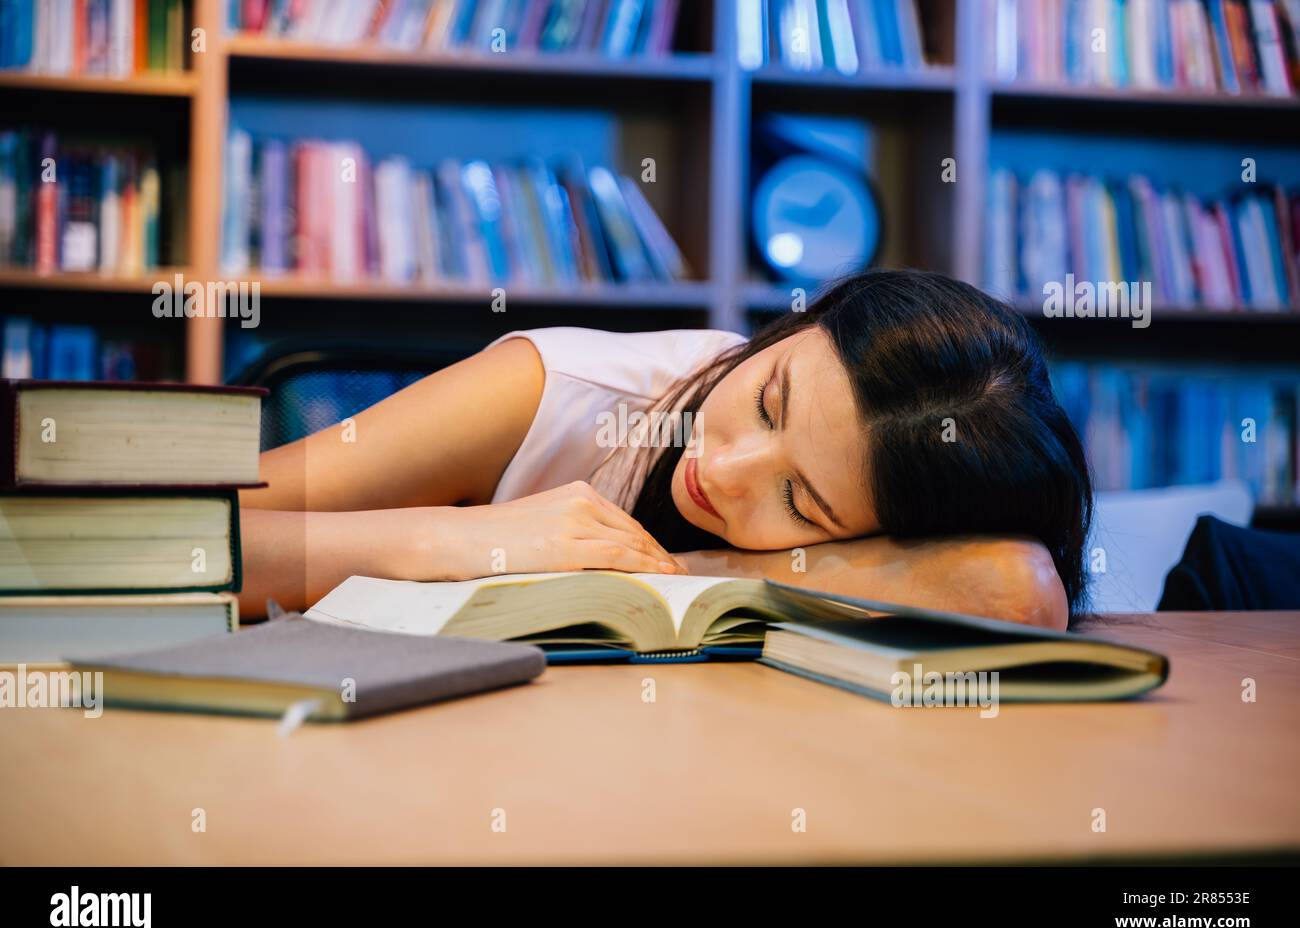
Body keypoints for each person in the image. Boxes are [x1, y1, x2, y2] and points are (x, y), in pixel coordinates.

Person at [239, 269, 1092, 629]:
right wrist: (459, 544)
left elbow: (1016, 591)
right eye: (767, 400)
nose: (721, 471)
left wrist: (697, 578)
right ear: (796, 324)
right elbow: (177, 539)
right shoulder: (557, 388)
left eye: (802, 504)